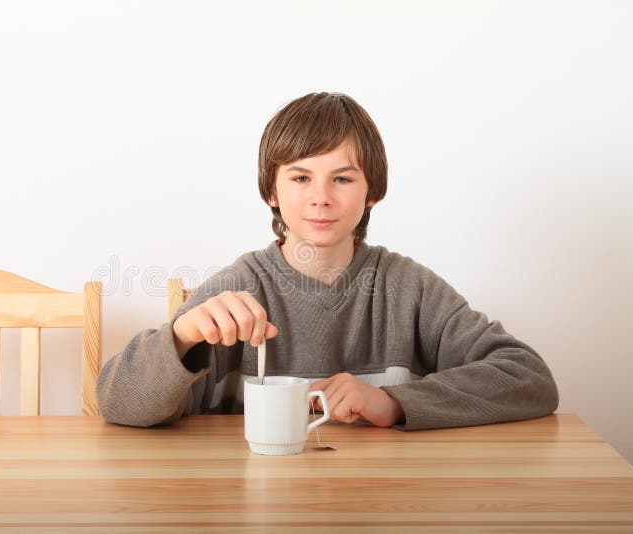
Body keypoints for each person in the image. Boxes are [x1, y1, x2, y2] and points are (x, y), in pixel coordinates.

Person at [96, 92, 558, 430]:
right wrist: (182, 336)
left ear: (372, 192)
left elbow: (529, 378)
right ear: (271, 191)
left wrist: (394, 402)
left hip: (380, 503)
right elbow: (116, 403)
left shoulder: (409, 289)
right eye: (300, 178)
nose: (321, 197)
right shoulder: (236, 289)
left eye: (342, 178)